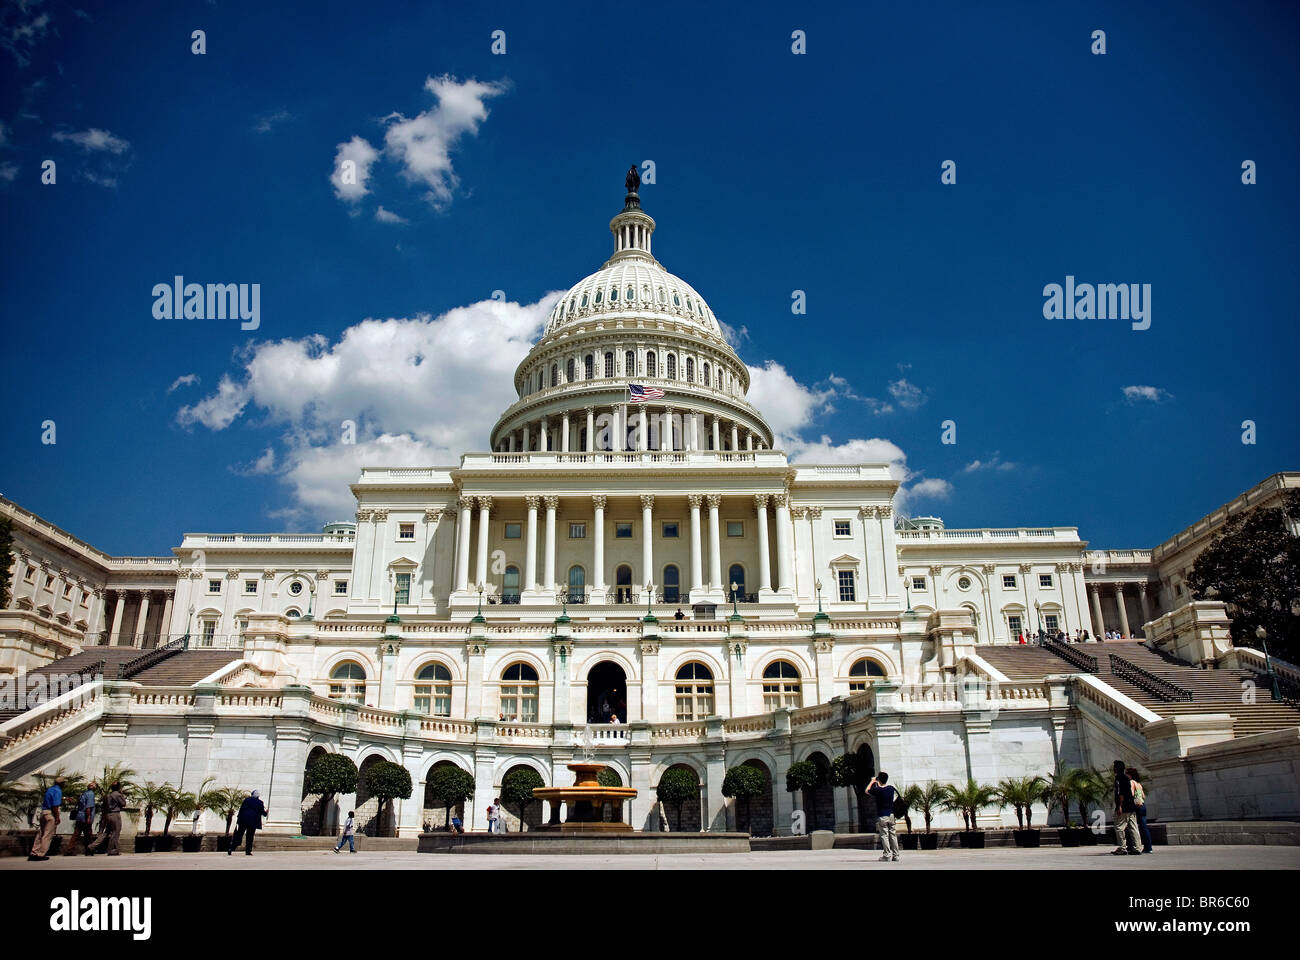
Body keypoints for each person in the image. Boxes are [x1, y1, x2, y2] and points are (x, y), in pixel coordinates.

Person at [28, 775, 64, 861]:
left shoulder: (50, 789)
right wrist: (57, 817)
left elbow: (50, 799)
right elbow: (55, 805)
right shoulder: (58, 791)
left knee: (40, 834)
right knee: (47, 835)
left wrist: (64, 798)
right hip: (50, 814)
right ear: (62, 784)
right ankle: (41, 854)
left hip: (43, 812)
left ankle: (34, 852)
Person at [866, 771, 900, 862]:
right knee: (893, 835)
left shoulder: (878, 790)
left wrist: (872, 781)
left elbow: (867, 791)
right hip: (892, 815)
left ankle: (887, 855)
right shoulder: (891, 788)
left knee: (884, 835)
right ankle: (896, 855)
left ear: (879, 779)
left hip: (883, 815)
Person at [1110, 760, 1142, 855]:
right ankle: (1137, 847)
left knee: (1119, 827)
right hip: (1131, 806)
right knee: (1133, 827)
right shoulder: (1126, 778)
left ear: (1116, 768)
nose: (1113, 769)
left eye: (1114, 767)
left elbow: (1120, 793)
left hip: (1124, 806)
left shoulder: (1119, 778)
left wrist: (1119, 806)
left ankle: (1122, 848)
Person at [87, 781, 126, 856]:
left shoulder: (107, 795)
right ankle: (111, 849)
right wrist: (121, 794)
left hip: (108, 814)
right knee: (115, 832)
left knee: (106, 832)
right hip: (115, 814)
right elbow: (123, 804)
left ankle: (91, 846)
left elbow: (104, 806)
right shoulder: (118, 795)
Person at [229, 790, 267, 856]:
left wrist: (238, 820)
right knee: (250, 836)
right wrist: (266, 812)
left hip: (243, 820)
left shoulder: (246, 800)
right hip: (253, 821)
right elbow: (262, 812)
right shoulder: (260, 802)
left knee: (239, 834)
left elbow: (241, 809)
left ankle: (231, 848)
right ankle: (248, 851)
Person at [1127, 768, 1153, 854]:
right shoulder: (1139, 784)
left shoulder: (1131, 782)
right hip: (1142, 805)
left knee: (1132, 827)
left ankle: (1132, 846)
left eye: (1126, 774)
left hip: (1136, 806)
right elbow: (1143, 796)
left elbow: (1131, 795)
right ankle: (1148, 847)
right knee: (1144, 827)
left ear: (1129, 775)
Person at [74, 781, 97, 856]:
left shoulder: (84, 793)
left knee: (76, 834)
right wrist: (88, 818)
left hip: (80, 816)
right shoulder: (91, 794)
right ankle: (89, 850)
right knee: (88, 835)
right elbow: (88, 807)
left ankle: (69, 850)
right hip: (85, 817)